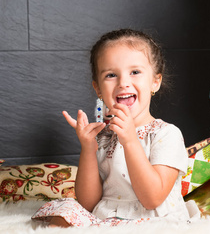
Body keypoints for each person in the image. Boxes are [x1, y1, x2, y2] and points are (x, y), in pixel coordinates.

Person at [32, 29, 198, 227]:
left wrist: (129, 140)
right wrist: (88, 148)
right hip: (108, 217)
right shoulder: (104, 137)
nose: (123, 83)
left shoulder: (166, 134)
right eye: (111, 75)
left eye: (135, 72)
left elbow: (152, 198)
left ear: (155, 82)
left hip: (154, 220)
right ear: (98, 89)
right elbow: (88, 203)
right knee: (64, 212)